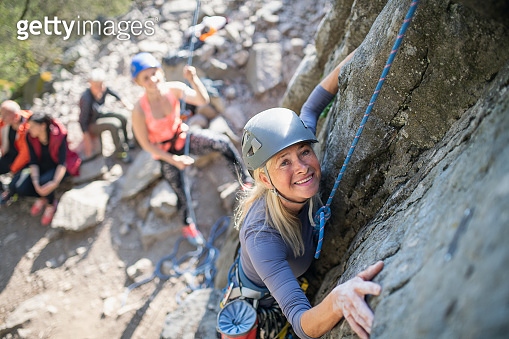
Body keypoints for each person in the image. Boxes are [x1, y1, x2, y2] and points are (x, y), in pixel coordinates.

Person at [235, 50, 384, 339]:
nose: (302, 167)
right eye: (285, 162)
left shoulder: (294, 174)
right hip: (263, 301)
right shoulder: (262, 237)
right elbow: (302, 324)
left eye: (305, 151)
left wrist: (363, 50)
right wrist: (339, 298)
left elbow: (313, 106)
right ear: (265, 178)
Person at [130, 52, 252, 247]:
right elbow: (145, 144)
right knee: (179, 189)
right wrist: (173, 160)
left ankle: (244, 180)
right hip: (165, 151)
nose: (153, 79)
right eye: (146, 77)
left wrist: (194, 79)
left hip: (182, 136)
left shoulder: (175, 89)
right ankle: (187, 225)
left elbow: (202, 100)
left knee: (221, 143)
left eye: (154, 73)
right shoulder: (139, 110)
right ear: (138, 82)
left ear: (160, 71)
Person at [9, 113, 81, 225]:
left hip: (59, 168)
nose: (29, 129)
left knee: (44, 182)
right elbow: (33, 161)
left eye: (32, 126)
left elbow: (62, 163)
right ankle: (43, 196)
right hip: (41, 167)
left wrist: (54, 182)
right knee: (20, 188)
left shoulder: (59, 136)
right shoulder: (30, 136)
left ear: (43, 126)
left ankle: (51, 204)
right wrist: (35, 182)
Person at [79, 68, 133, 163]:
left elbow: (115, 94)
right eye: (97, 85)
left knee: (122, 116)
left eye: (101, 84)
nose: (100, 87)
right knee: (114, 124)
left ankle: (126, 142)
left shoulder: (103, 88)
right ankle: (121, 153)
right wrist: (87, 140)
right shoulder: (86, 99)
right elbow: (82, 121)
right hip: (92, 124)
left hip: (99, 115)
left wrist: (126, 103)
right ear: (91, 84)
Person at [0, 101, 32, 201]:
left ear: (15, 116)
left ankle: (10, 194)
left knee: (16, 185)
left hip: (26, 162)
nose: (2, 118)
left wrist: (13, 169)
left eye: (5, 115)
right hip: (9, 155)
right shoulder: (4, 124)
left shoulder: (28, 126)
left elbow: (25, 154)